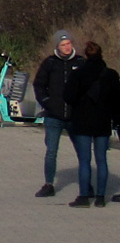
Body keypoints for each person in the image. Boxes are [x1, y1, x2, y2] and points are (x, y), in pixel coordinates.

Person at [33, 30, 88, 197]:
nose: (66, 47)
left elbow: (90, 84)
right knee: (51, 152)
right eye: (63, 45)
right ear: (57, 46)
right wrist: (47, 102)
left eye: (68, 43)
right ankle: (49, 184)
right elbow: (39, 85)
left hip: (75, 117)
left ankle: (86, 185)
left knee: (83, 152)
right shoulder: (50, 63)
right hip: (53, 116)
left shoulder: (81, 62)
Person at [64, 41, 119, 207]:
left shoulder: (78, 74)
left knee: (84, 160)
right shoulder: (111, 74)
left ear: (86, 55)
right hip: (103, 121)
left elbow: (68, 97)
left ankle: (84, 197)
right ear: (101, 54)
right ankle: (101, 198)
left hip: (82, 121)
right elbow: (116, 100)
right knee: (101, 160)